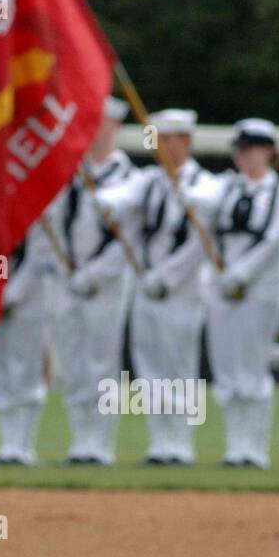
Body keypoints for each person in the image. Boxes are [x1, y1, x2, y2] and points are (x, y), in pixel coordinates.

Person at [101, 109, 220, 465]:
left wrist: (167, 276)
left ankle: (182, 443)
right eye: (158, 140)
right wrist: (103, 202)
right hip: (145, 286)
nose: (164, 147)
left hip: (181, 290)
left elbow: (203, 239)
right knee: (148, 366)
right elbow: (121, 198)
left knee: (179, 367)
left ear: (186, 141)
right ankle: (158, 442)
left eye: (170, 139)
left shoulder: (205, 185)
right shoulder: (149, 181)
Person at [44, 96, 135, 465]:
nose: (95, 131)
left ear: (114, 128)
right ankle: (80, 439)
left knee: (102, 364)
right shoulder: (68, 173)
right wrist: (65, 270)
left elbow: (129, 240)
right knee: (73, 362)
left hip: (106, 285)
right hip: (67, 281)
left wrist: (93, 274)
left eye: (102, 124)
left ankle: (102, 442)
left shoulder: (130, 178)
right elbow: (50, 223)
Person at [199, 119, 279, 468]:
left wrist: (241, 274)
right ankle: (234, 445)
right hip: (223, 286)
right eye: (239, 149)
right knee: (226, 366)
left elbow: (273, 239)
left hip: (261, 286)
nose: (244, 155)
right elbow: (201, 204)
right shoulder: (225, 187)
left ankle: (256, 447)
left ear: (268, 151)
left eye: (251, 148)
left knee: (252, 365)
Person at [0, 227, 53, 465]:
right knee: (0, 370)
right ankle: (7, 444)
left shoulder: (38, 213)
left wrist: (12, 293)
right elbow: (0, 254)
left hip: (31, 302)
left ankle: (24, 445)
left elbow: (38, 257)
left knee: (26, 371)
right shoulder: (1, 213)